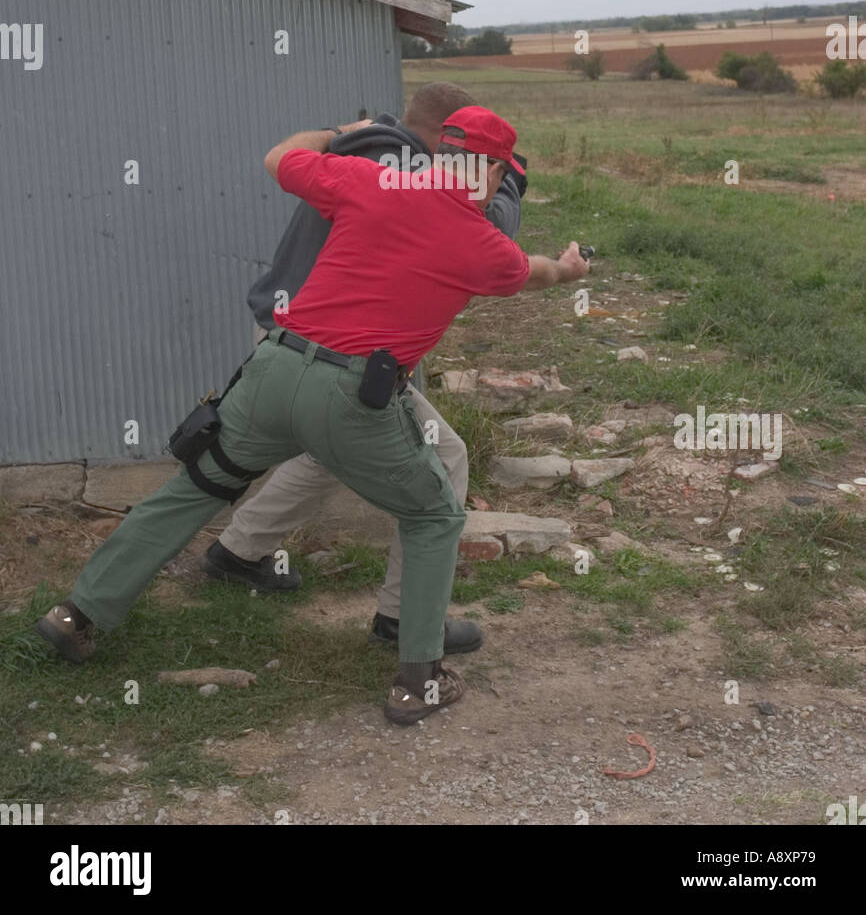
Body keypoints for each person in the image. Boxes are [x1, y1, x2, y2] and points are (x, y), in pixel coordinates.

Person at [35, 106, 589, 725]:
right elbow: (531, 272)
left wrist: (335, 136)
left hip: (272, 370)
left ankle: (75, 614)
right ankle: (418, 678)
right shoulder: (483, 245)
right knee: (433, 513)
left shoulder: (371, 181)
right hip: (353, 396)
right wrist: (569, 270)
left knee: (197, 487)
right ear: (487, 170)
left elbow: (278, 158)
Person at [202, 82, 525, 659]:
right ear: (449, 140)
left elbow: (282, 159)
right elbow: (491, 240)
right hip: (331, 350)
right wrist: (512, 184)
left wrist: (328, 134)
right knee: (445, 456)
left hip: (289, 337)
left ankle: (236, 552)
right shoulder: (403, 166)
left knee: (327, 451)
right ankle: (405, 622)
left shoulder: (365, 149)